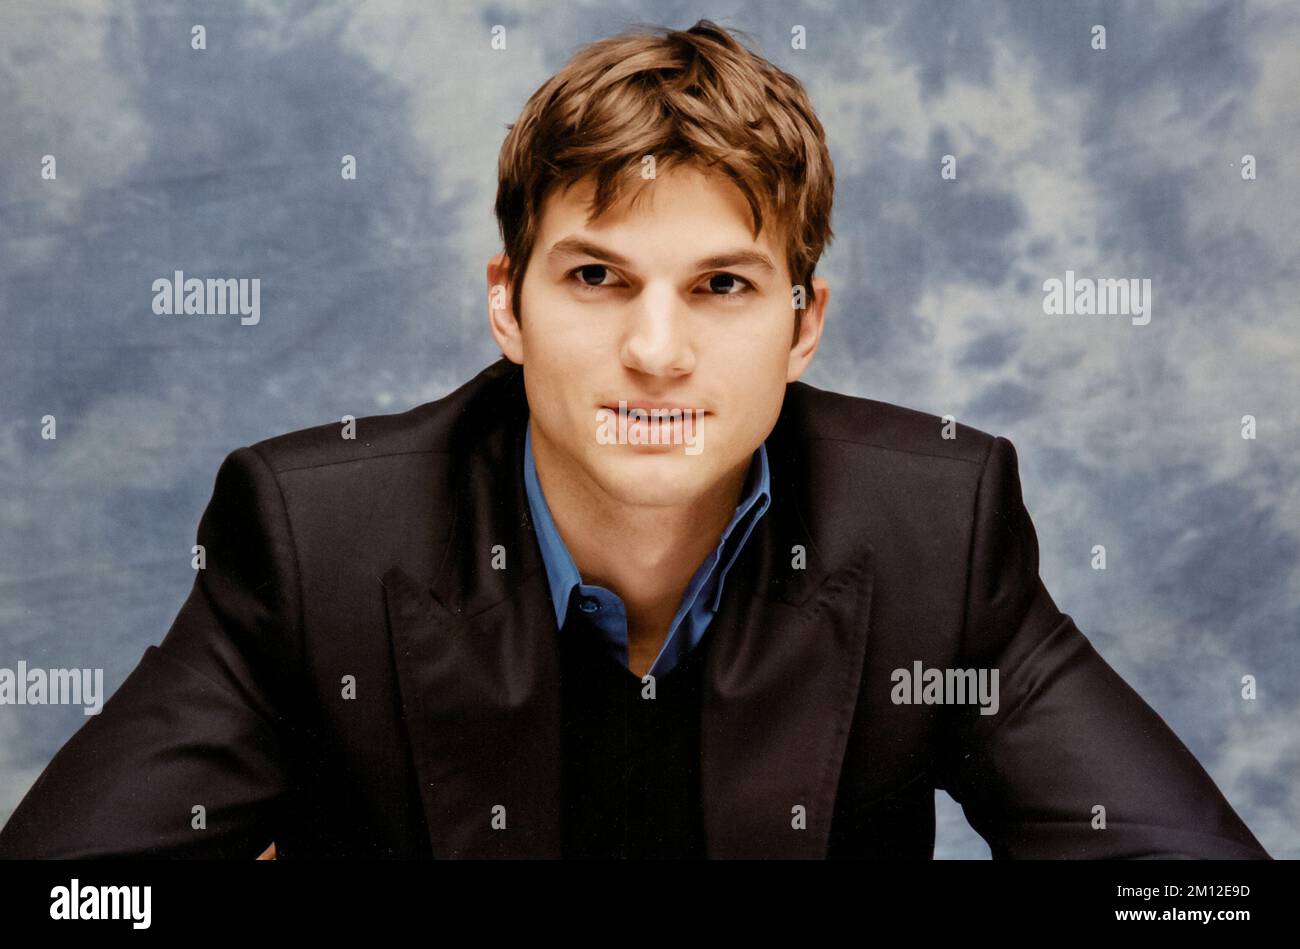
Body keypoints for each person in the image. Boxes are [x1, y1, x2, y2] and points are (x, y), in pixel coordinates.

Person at [0, 20, 1269, 859]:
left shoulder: (937, 526)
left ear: (803, 320)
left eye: (721, 285)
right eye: (597, 277)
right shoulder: (313, 536)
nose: (656, 351)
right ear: (507, 302)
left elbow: (1192, 891)